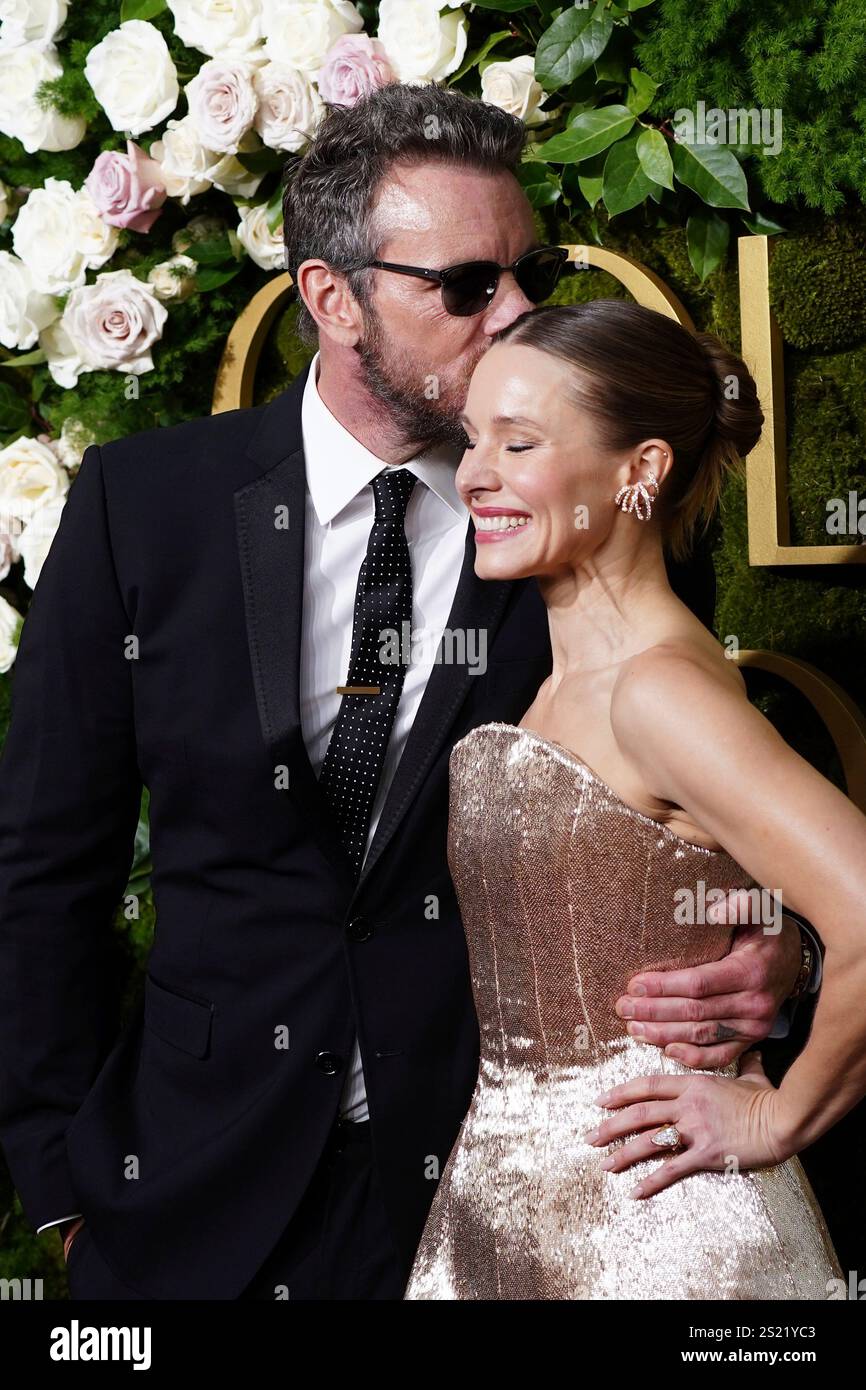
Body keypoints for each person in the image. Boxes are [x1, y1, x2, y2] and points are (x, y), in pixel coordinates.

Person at [0, 85, 818, 1301]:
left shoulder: (581, 515)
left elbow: (700, 816)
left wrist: (781, 952)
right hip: (180, 1196)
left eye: (527, 273)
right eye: (467, 284)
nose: (519, 312)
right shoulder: (143, 507)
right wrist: (59, 1181)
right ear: (333, 299)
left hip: (492, 1203)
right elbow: (42, 866)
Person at [403, 299, 854, 1300]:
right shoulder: (562, 681)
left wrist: (773, 1118)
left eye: (517, 442)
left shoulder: (656, 690)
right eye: (472, 439)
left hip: (659, 1237)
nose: (473, 473)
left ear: (639, 471)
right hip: (513, 1212)